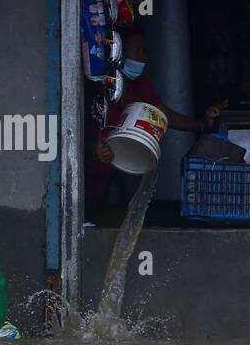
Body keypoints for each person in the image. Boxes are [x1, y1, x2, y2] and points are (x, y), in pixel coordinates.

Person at [85, 27, 228, 218]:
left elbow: (163, 114)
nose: (142, 57)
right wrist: (92, 150)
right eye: (137, 51)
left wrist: (202, 124)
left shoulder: (139, 85)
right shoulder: (96, 83)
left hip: (113, 174)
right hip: (83, 177)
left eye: (144, 51)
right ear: (118, 53)